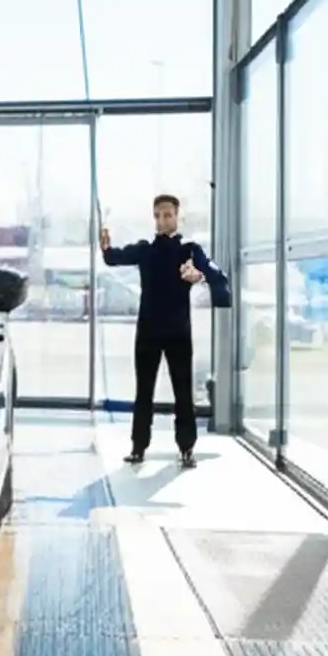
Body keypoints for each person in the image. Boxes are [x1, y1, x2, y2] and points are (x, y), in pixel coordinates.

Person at [99, 194, 230, 468]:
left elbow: (216, 275)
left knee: (183, 391)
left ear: (177, 217)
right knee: (143, 390)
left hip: (178, 331)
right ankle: (138, 447)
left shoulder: (189, 250)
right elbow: (113, 258)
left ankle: (186, 448)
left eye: (168, 214)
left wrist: (199, 277)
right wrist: (105, 245)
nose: (162, 220)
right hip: (148, 330)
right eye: (158, 215)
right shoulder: (145, 249)